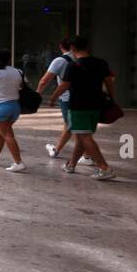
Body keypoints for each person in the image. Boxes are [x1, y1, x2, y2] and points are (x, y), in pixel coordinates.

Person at [50, 36, 117, 181]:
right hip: (96, 105)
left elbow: (64, 85)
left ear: (73, 49)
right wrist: (112, 97)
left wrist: (53, 97)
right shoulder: (101, 63)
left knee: (84, 136)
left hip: (79, 105)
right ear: (88, 47)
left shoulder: (73, 65)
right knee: (83, 135)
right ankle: (71, 165)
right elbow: (109, 82)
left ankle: (104, 167)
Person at [36, 36, 92, 165]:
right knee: (70, 124)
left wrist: (38, 94)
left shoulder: (59, 60)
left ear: (61, 47)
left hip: (67, 97)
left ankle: (88, 156)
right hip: (83, 96)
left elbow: (45, 80)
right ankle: (56, 149)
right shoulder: (81, 58)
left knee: (75, 126)